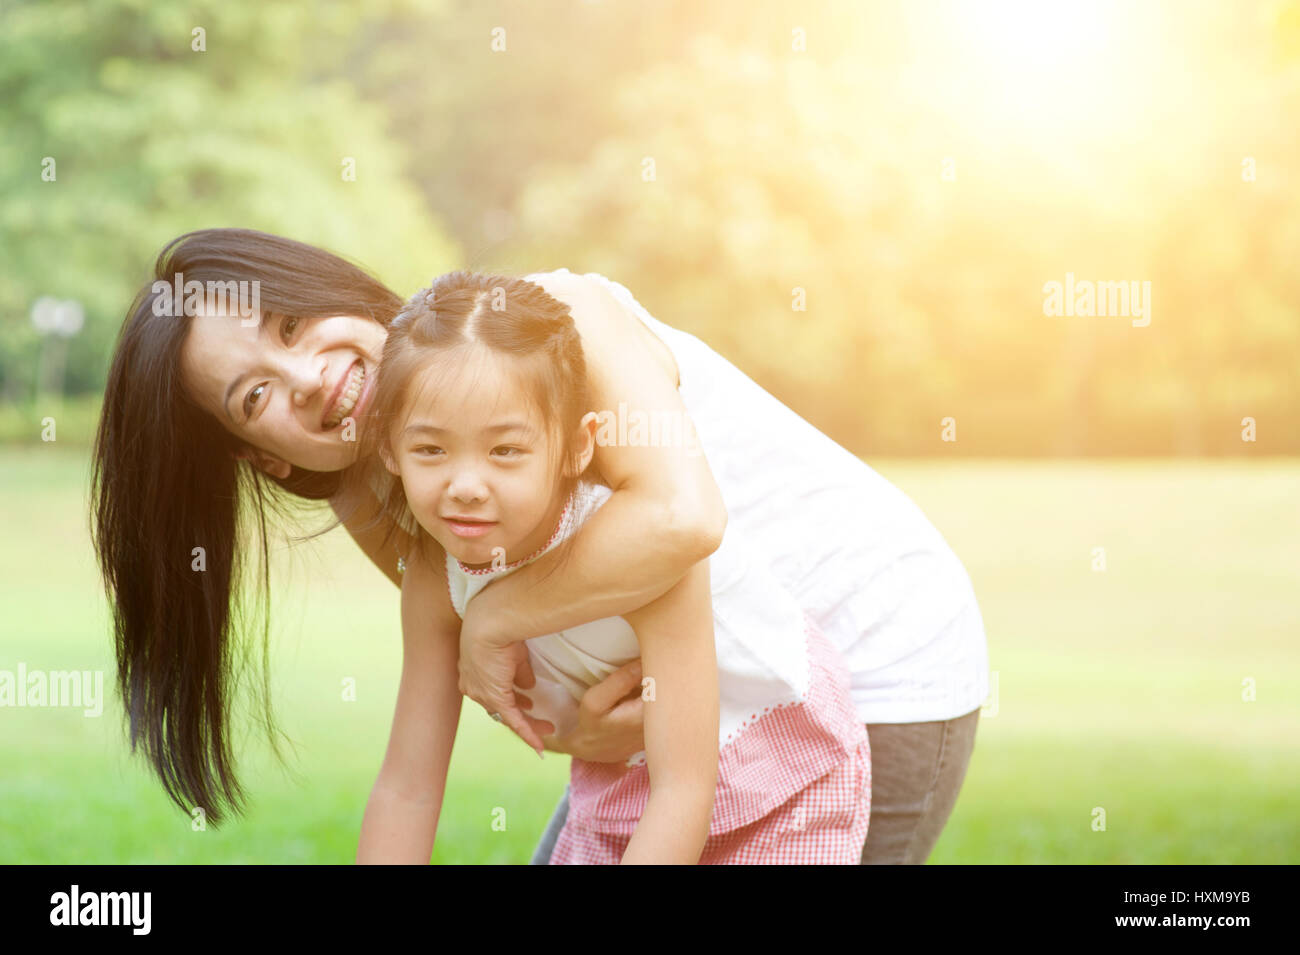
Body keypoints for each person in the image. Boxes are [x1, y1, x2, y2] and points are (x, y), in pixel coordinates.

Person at [93, 228, 986, 863]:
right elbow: (518, 700)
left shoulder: (552, 324)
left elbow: (680, 523)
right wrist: (566, 720)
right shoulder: (407, 500)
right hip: (679, 733)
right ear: (262, 456)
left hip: (865, 673)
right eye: (254, 397)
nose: (310, 377)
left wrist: (495, 621)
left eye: (290, 327)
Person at [356, 272, 870, 863]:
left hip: (781, 780)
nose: (466, 486)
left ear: (578, 446)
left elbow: (685, 789)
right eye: (430, 450)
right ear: (390, 449)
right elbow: (408, 789)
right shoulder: (432, 573)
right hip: (624, 790)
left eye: (505, 450)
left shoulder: (647, 552)